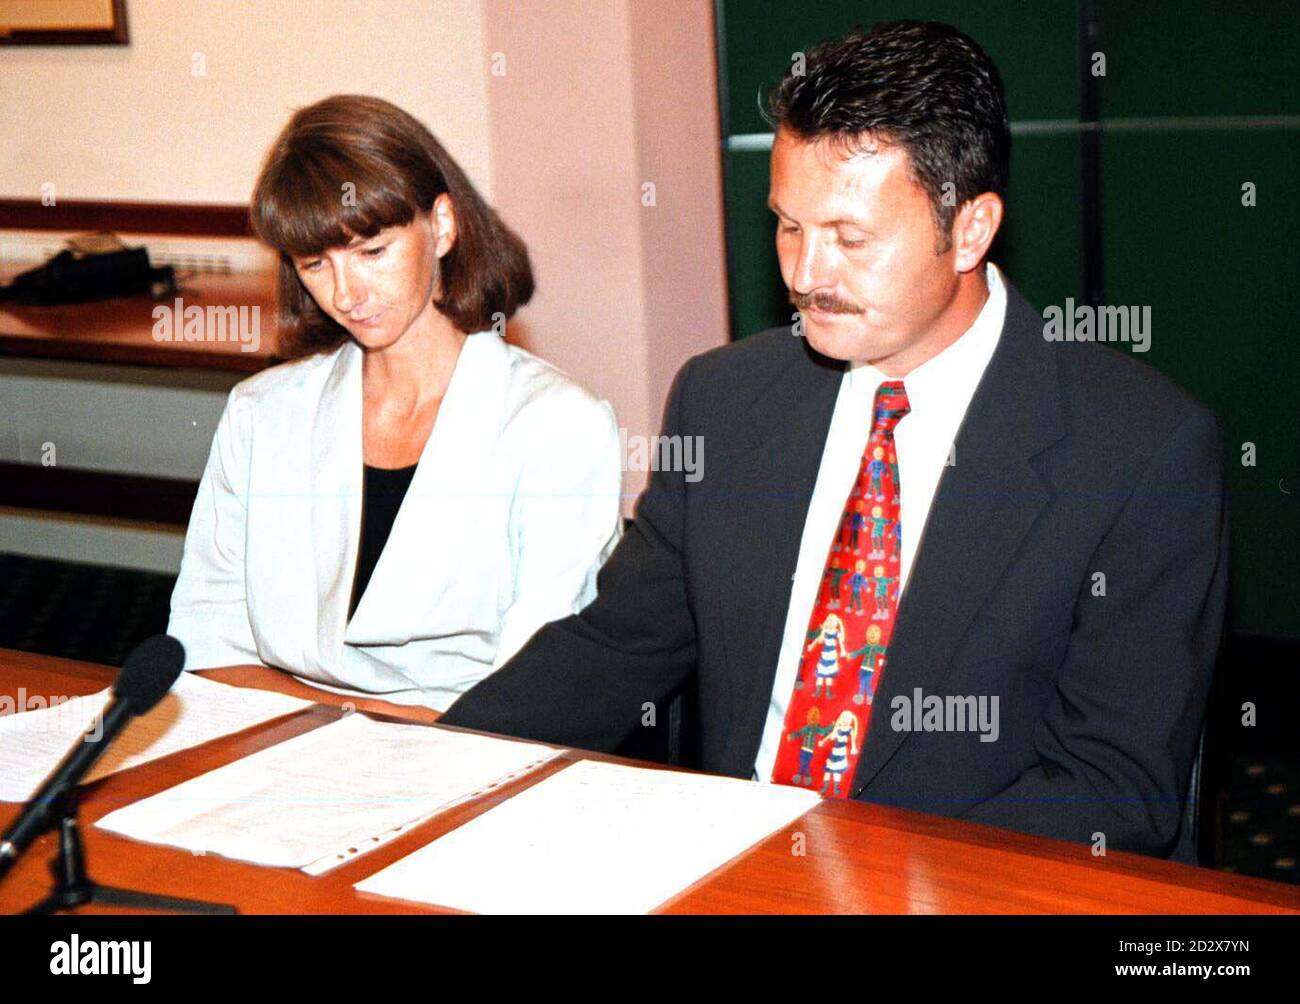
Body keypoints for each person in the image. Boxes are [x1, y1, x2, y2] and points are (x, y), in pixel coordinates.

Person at [439, 21, 1229, 861]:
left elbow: (1113, 785)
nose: (805, 274)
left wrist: (868, 878)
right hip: (730, 870)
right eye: (787, 225)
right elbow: (616, 648)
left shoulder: (1141, 451)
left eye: (850, 239)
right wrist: (424, 766)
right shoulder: (726, 402)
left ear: (971, 229)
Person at [168, 94, 622, 711]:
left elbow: (529, 695)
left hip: (474, 755)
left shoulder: (556, 425)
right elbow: (205, 648)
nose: (347, 292)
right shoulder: (261, 413)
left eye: (372, 252)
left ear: (441, 225)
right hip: (283, 742)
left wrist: (376, 728)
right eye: (314, 264)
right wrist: (360, 723)